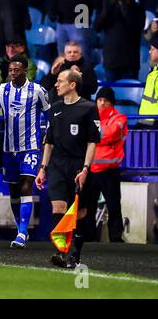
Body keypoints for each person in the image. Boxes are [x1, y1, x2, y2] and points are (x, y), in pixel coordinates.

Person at [0, 54, 50, 248]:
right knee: (13, 191)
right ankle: (22, 230)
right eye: (10, 70)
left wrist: (49, 136)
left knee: (26, 185)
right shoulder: (1, 91)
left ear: (25, 71)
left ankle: (21, 233)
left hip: (30, 146)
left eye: (16, 70)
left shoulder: (38, 90)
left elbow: (50, 115)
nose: (12, 73)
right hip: (9, 148)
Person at [35, 69, 100, 268]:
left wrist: (86, 169)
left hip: (79, 165)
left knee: (79, 212)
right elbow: (49, 141)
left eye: (60, 81)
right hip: (57, 164)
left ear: (72, 85)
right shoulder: (54, 109)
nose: (56, 84)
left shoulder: (88, 108)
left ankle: (75, 254)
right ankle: (60, 251)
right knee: (58, 207)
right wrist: (43, 168)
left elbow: (92, 141)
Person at [86, 86, 127, 242]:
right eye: (100, 100)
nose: (102, 103)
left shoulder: (120, 118)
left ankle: (115, 238)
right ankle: (89, 239)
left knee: (114, 206)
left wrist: (92, 134)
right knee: (89, 207)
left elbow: (110, 134)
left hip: (109, 170)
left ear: (112, 103)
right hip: (90, 169)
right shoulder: (90, 116)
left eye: (106, 101)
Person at [94, 0, 145, 81]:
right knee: (110, 92)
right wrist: (106, 9)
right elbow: (96, 27)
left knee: (129, 91)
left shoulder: (136, 7)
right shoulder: (106, 5)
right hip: (111, 60)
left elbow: (136, 27)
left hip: (130, 61)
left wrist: (123, 6)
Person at [138, 35, 158, 129]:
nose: (150, 51)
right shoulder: (153, 71)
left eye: (153, 49)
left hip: (154, 122)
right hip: (146, 120)